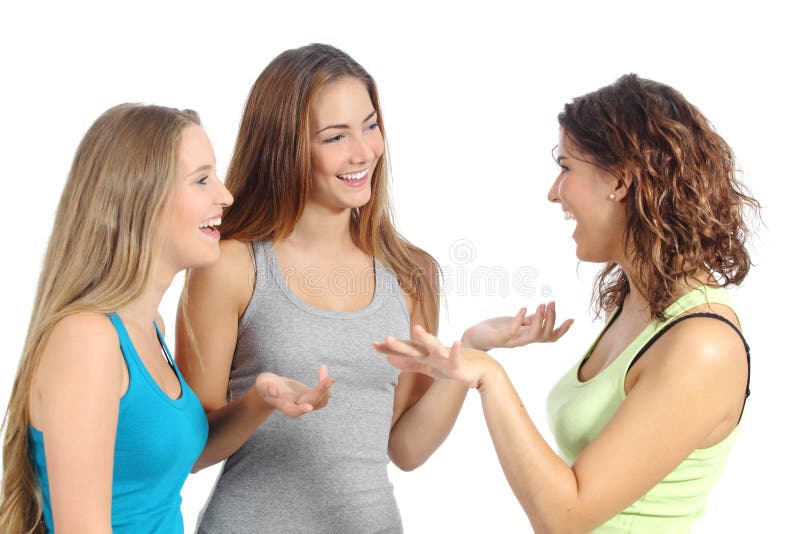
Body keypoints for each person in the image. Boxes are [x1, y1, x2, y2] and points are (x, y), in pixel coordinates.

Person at [375, 74, 757, 533]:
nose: (554, 192)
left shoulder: (703, 344)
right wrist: (475, 345)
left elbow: (564, 518)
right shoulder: (639, 306)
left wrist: (490, 378)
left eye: (566, 167)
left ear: (619, 179)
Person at [177, 43, 467, 533]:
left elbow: (404, 448)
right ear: (286, 146)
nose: (364, 151)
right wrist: (261, 400)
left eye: (370, 126)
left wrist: (469, 362)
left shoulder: (412, 274)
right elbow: (191, 451)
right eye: (335, 137)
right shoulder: (231, 265)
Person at [0, 104, 233, 533]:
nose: (226, 196)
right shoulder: (87, 339)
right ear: (140, 198)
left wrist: (261, 402)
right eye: (202, 180)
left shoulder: (150, 329)